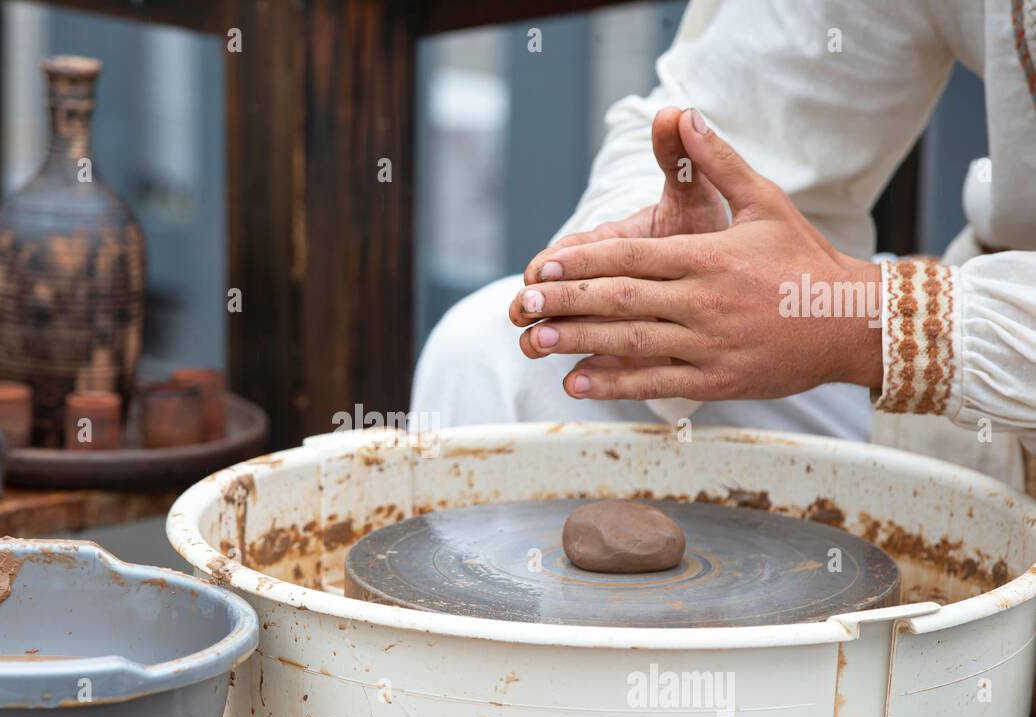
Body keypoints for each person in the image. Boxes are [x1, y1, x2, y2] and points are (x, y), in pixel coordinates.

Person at [412, 0, 1036, 489]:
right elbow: (732, 103)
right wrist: (678, 255)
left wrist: (867, 321)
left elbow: (862, 322)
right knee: (489, 361)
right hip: (972, 426)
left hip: (986, 359)